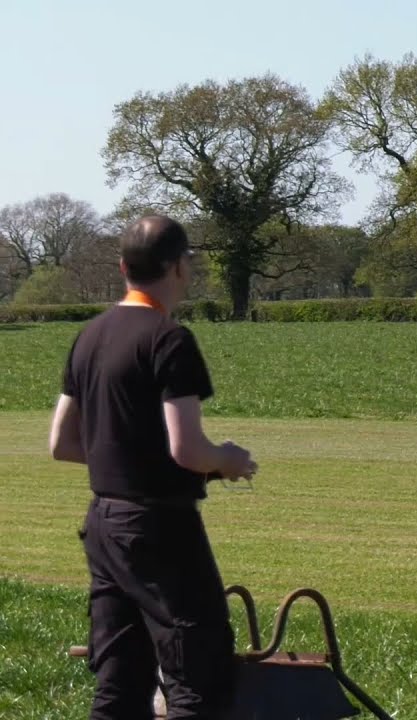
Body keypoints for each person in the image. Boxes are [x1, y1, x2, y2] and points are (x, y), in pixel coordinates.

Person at [49, 214, 257, 719]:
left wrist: (126, 462)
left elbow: (62, 442)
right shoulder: (169, 340)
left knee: (119, 681)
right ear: (181, 267)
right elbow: (187, 449)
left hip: (104, 524)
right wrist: (226, 461)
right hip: (161, 527)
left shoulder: (90, 336)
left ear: (123, 267)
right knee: (196, 676)